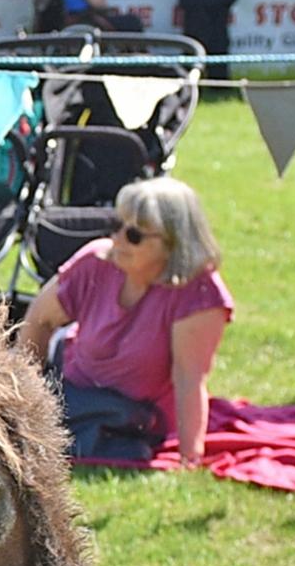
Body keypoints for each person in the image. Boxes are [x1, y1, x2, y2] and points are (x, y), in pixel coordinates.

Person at [17, 176, 234, 466]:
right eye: (116, 226)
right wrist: (20, 396)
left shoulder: (198, 293)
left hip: (138, 415)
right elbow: (39, 320)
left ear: (173, 244)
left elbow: (189, 377)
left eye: (134, 235)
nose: (117, 239)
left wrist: (189, 457)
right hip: (71, 389)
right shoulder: (95, 262)